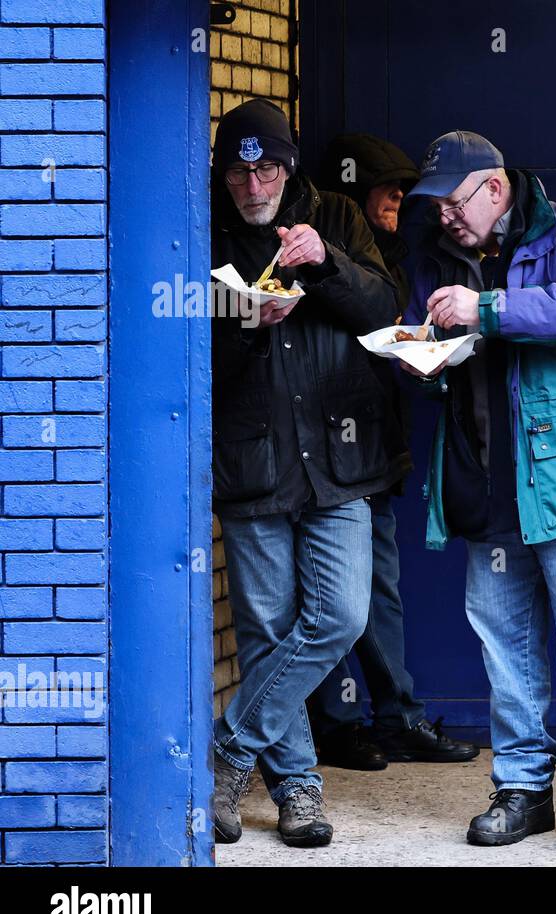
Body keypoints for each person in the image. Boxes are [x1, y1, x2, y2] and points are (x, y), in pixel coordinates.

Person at [400, 131, 556, 856]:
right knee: (506, 649)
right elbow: (433, 342)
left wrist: (489, 311)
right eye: (434, 204)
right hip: (489, 481)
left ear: (495, 189)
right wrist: (422, 355)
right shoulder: (439, 257)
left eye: (452, 201)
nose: (443, 216)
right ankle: (523, 790)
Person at [209, 99, 407, 847]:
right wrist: (241, 325)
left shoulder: (336, 218)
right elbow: (187, 357)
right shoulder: (206, 231)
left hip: (339, 458)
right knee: (265, 630)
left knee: (341, 616)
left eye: (265, 167)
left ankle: (228, 750)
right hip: (252, 459)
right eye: (237, 169)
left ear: (289, 165)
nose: (252, 183)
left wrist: (325, 265)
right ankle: (298, 792)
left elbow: (386, 310)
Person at [309, 132, 479, 769]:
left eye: (404, 190)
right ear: (353, 191)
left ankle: (388, 717)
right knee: (333, 597)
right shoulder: (323, 255)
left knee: (376, 590)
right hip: (327, 456)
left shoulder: (391, 253)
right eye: (388, 188)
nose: (399, 199)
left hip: (376, 448)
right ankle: (340, 722)